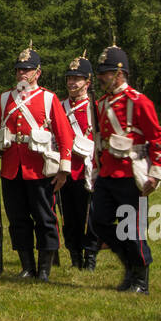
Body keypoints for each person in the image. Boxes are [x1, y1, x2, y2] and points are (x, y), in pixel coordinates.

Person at [0, 44, 74, 282]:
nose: (22, 74)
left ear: (38, 73)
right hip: (12, 169)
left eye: (27, 70)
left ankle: (44, 270)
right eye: (19, 70)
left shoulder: (48, 98)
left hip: (39, 169)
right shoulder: (5, 99)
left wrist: (64, 170)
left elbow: (64, 134)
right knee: (18, 219)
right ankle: (27, 267)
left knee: (45, 219)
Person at [87, 45, 161, 293]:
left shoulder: (139, 102)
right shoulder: (101, 104)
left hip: (130, 178)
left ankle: (140, 280)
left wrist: (155, 175)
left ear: (120, 74)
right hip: (108, 174)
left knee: (131, 231)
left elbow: (158, 139)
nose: (101, 78)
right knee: (99, 223)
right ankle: (130, 266)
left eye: (106, 73)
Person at [60, 53, 100, 269]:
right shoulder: (60, 106)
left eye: (77, 78)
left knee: (91, 217)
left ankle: (90, 255)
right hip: (66, 169)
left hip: (88, 170)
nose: (72, 82)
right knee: (69, 216)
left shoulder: (95, 107)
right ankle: (74, 253)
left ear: (88, 82)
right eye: (69, 78)